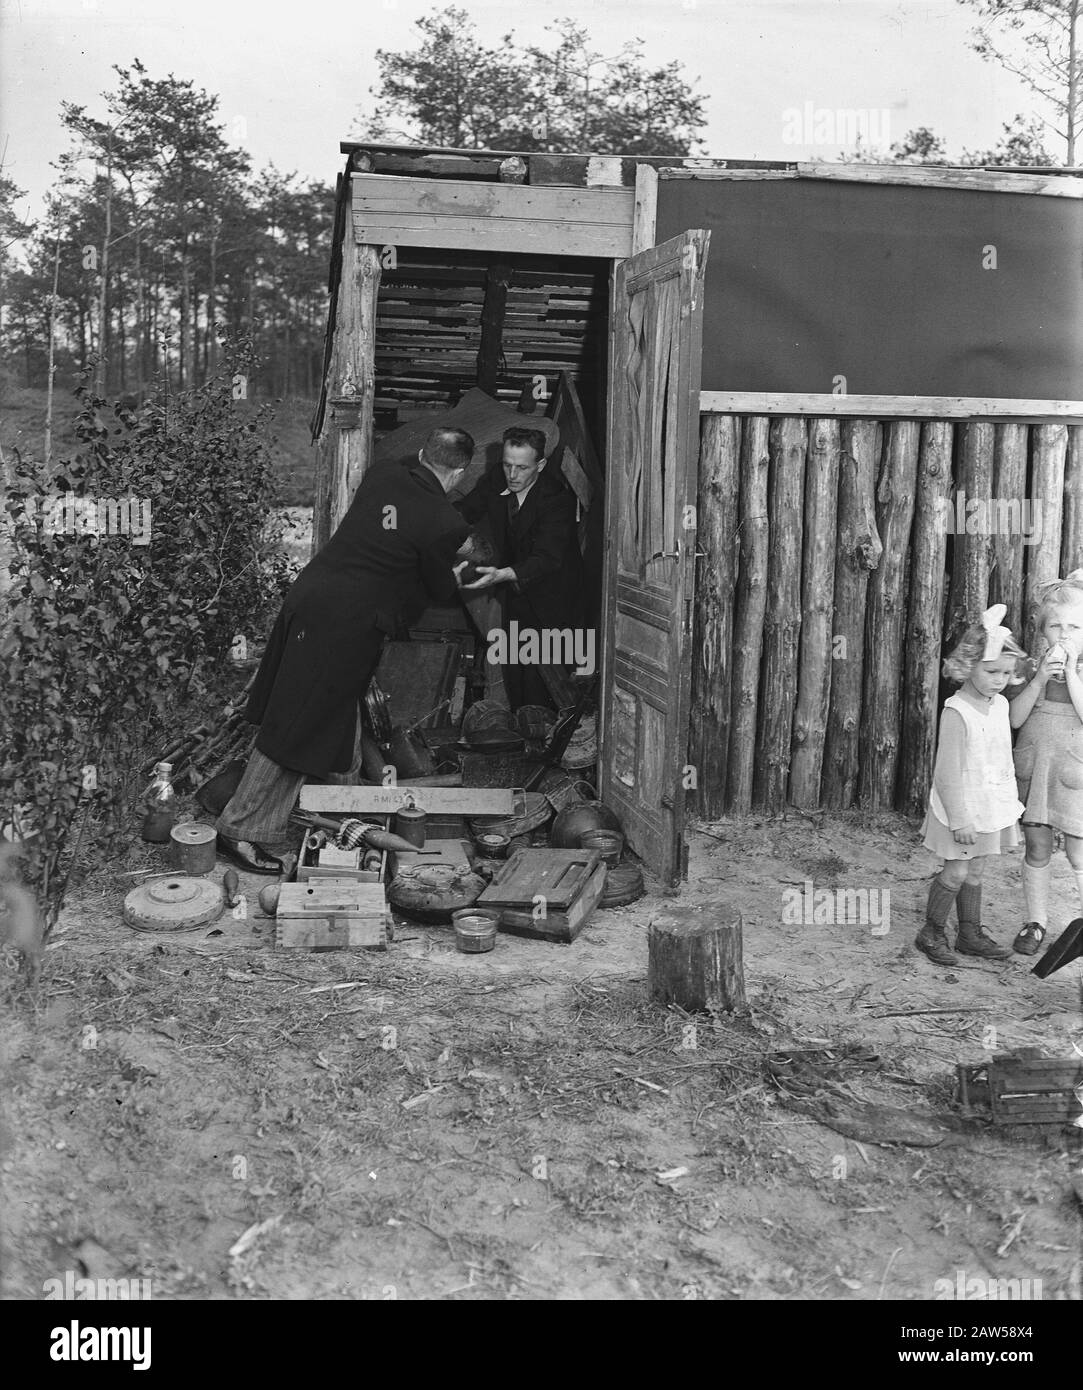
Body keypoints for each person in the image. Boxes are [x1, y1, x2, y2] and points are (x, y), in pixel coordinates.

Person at [214, 429, 473, 873]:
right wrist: (460, 572)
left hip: (311, 601)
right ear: (459, 473)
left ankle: (341, 815)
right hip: (341, 624)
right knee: (297, 720)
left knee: (336, 713)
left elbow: (391, 539)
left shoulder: (382, 474)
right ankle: (239, 830)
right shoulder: (444, 521)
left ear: (422, 453)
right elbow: (437, 586)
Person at [916, 604, 1026, 966]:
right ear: (968, 665)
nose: (1000, 680)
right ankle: (931, 932)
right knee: (957, 869)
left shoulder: (998, 706)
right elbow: (947, 773)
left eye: (1007, 673)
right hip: (960, 809)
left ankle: (969, 933)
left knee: (977, 869)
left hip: (989, 803)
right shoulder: (957, 712)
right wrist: (959, 818)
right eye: (992, 671)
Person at [455, 425, 587, 711]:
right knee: (515, 671)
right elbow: (465, 511)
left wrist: (500, 574)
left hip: (556, 598)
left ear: (539, 465)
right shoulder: (497, 478)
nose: (512, 476)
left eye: (522, 468)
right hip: (517, 591)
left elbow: (547, 558)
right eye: (507, 465)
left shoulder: (557, 499)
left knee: (549, 683)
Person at [1008, 569, 1083, 956]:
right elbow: (1014, 719)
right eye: (1056, 625)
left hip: (1074, 777)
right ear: (1043, 631)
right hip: (1036, 771)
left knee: (1078, 852)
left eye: (1075, 626)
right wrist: (1038, 680)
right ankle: (1035, 921)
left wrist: (1070, 673)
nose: (1065, 634)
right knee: (1037, 846)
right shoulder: (1029, 669)